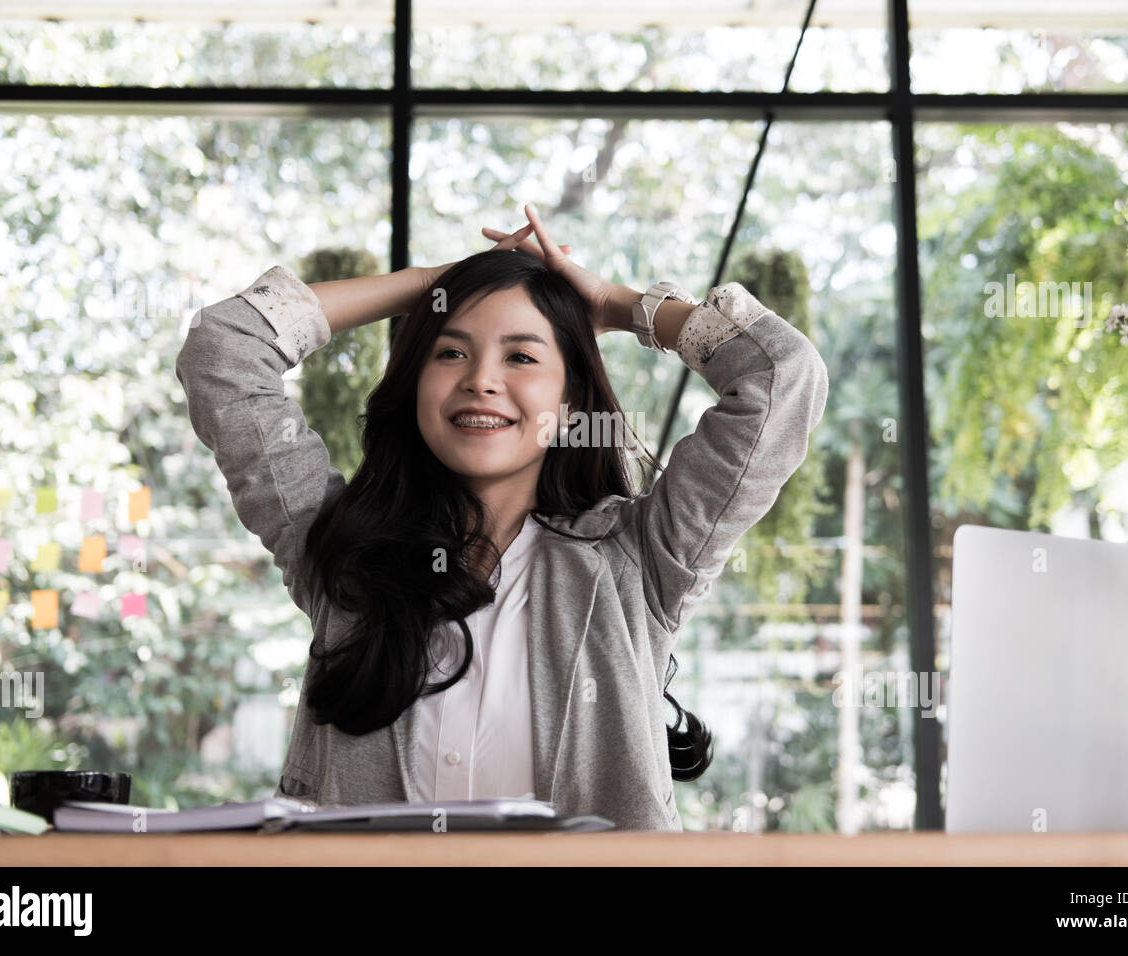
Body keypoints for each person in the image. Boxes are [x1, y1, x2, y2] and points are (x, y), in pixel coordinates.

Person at [175, 204, 829, 830]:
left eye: (520, 356)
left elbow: (781, 376)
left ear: (571, 403)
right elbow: (226, 350)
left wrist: (618, 306)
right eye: (451, 352)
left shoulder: (642, 557)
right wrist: (431, 286)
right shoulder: (337, 546)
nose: (480, 379)